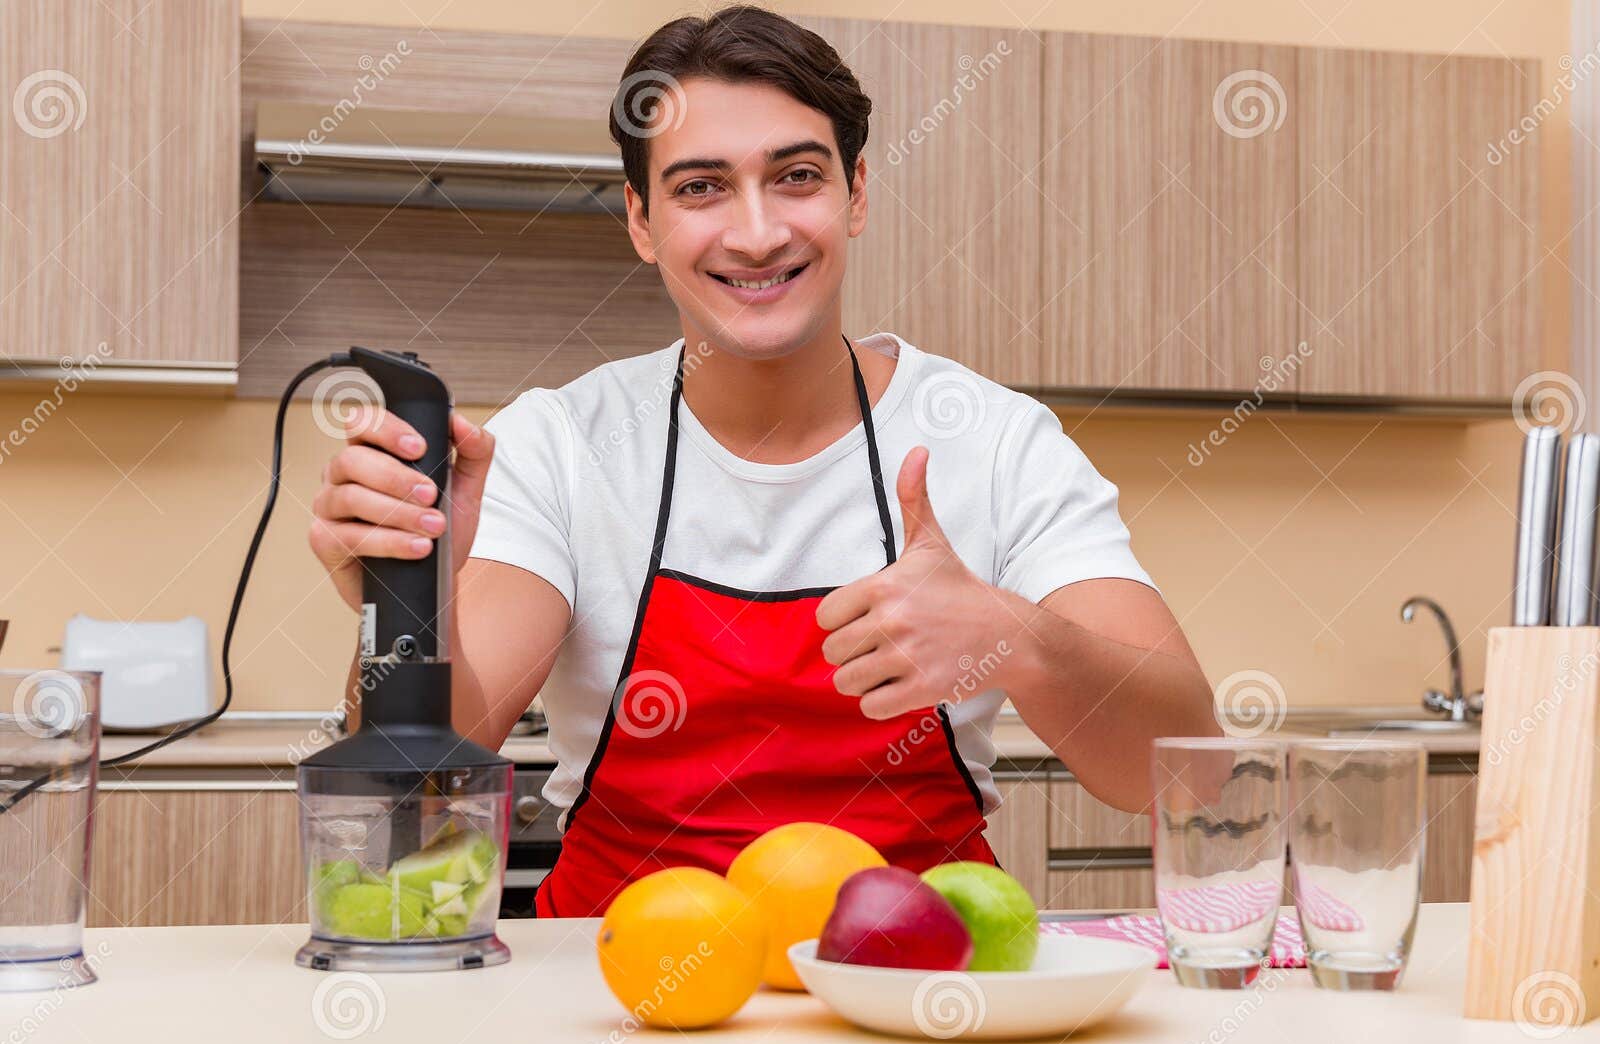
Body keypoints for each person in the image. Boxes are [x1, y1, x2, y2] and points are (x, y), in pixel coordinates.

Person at [308, 6, 1217, 918]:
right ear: (641, 221)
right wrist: (412, 601)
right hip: (616, 971)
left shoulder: (996, 441)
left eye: (797, 177)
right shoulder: (560, 445)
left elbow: (1185, 776)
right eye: (701, 187)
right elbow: (411, 794)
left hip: (917, 971)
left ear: (856, 194)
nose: (756, 233)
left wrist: (1012, 635)